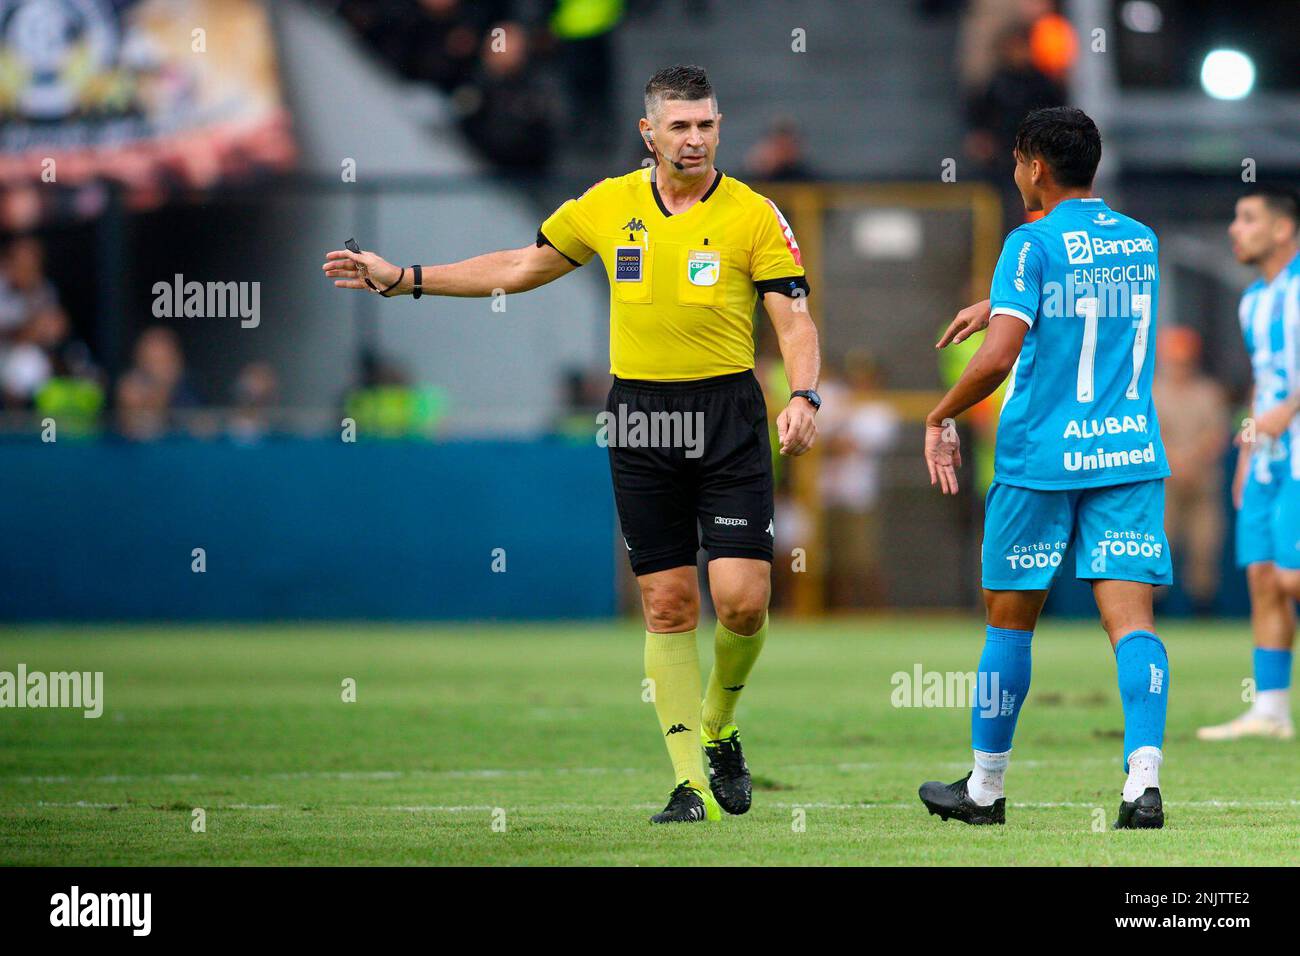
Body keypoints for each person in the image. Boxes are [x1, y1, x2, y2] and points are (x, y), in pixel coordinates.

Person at [323, 65, 821, 825]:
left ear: (719, 128)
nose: (695, 138)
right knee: (666, 602)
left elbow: (793, 319)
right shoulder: (607, 203)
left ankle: (721, 725)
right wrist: (404, 278)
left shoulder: (754, 214)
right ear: (647, 132)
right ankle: (689, 784)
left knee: (743, 602)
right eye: (679, 126)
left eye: (706, 125)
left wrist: (805, 394)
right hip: (642, 418)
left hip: (727, 415)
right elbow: (523, 266)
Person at [918, 107, 1171, 829]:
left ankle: (986, 791)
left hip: (1039, 460)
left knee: (1009, 627)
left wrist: (938, 416)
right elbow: (1092, 296)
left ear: (1033, 164)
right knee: (1133, 626)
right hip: (1126, 454)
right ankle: (1142, 784)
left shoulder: (1028, 244)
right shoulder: (1142, 240)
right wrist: (998, 302)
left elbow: (997, 359)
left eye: (1017, 160)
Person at [1198, 184, 1300, 741]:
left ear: (1281, 229)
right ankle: (1270, 711)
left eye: (1247, 218)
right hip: (1268, 460)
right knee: (1263, 576)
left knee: (1292, 575)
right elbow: (1264, 378)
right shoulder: (1254, 300)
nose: (1236, 229)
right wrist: (1247, 453)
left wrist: (1288, 409)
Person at [1151, 326, 1229, 613]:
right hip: (1164, 486)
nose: (1179, 366)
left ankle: (1203, 613)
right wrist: (1176, 460)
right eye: (1174, 359)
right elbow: (1149, 434)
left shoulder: (1208, 392)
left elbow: (1218, 433)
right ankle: (1153, 613)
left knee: (1204, 550)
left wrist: (1191, 459)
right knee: (1159, 548)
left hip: (1202, 484)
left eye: (1184, 360)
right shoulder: (1153, 391)